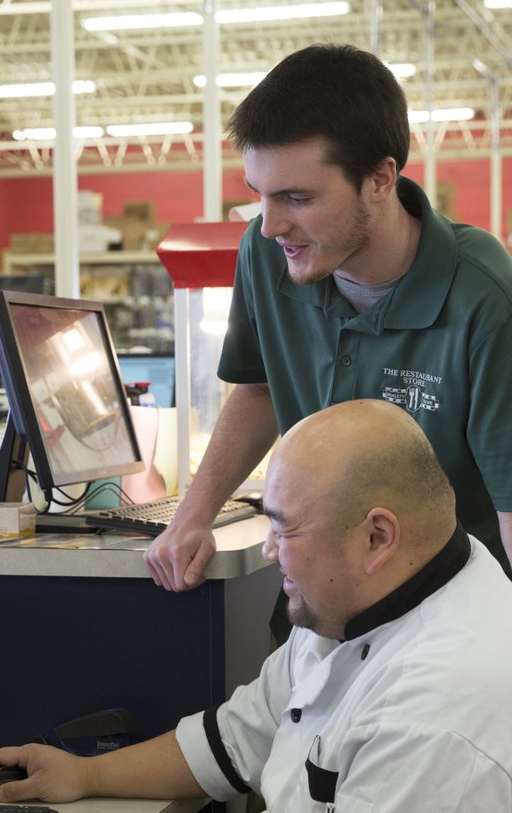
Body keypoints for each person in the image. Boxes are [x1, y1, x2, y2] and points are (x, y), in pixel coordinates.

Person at [0, 399, 512, 813]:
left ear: (377, 536)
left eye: (284, 528)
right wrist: (85, 774)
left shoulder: (441, 708)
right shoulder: (366, 599)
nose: (268, 551)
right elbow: (237, 737)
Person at [143, 43, 512, 597]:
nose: (270, 226)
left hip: (448, 616)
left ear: (381, 179)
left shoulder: (483, 296)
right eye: (260, 196)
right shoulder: (263, 253)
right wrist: (191, 517)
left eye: (297, 197)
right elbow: (260, 388)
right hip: (316, 605)